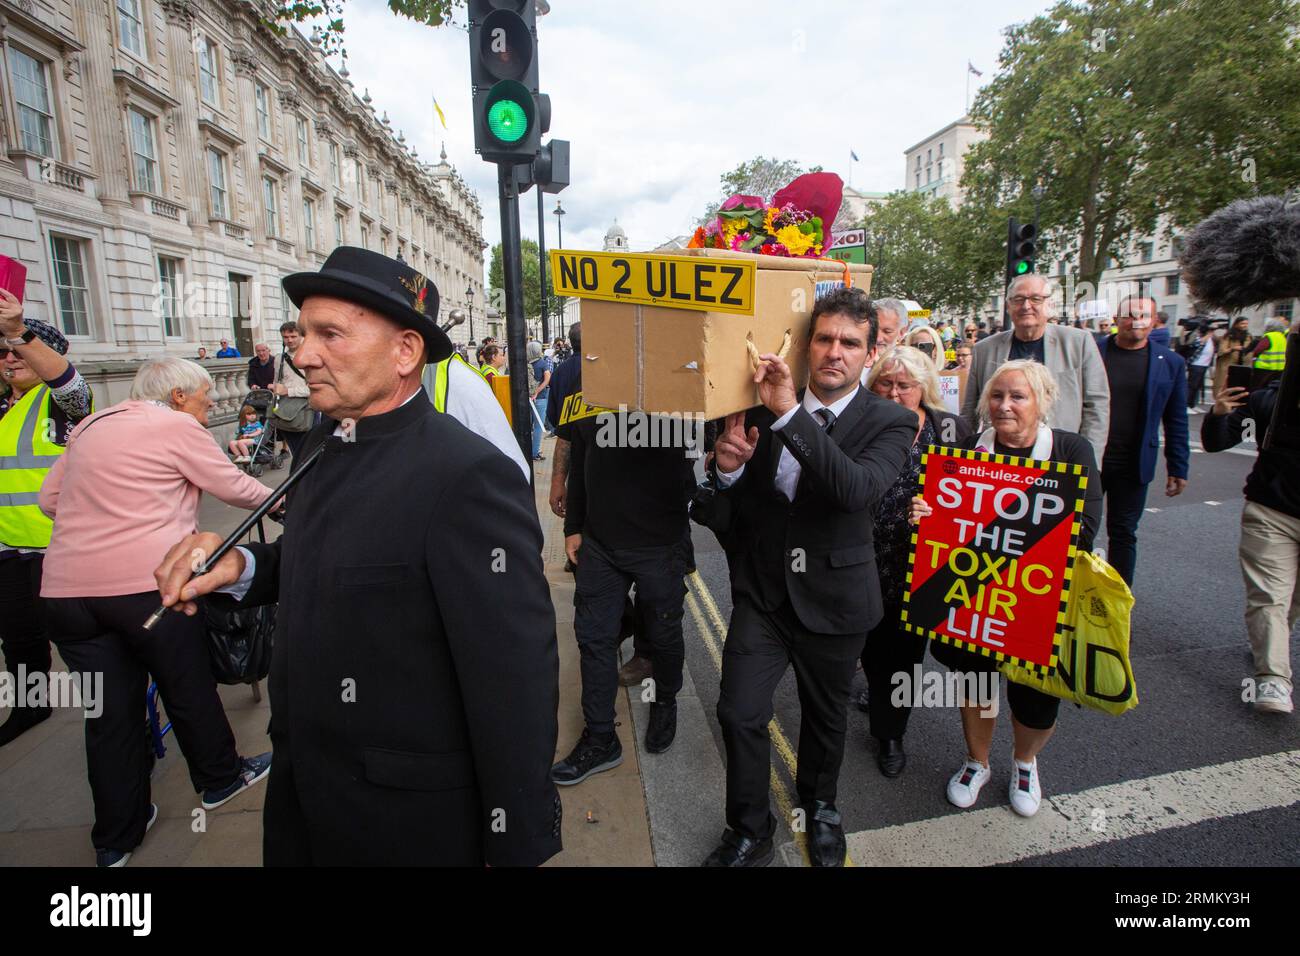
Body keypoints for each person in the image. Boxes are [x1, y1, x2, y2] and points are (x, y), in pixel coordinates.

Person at [153, 246, 562, 866]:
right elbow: (332, 558)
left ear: (405, 352)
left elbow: (514, 679)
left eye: (330, 334)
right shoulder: (324, 436)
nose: (302, 353)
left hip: (405, 820)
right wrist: (242, 566)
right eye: (303, 332)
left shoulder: (467, 475)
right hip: (303, 797)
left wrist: (516, 841)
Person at [697, 287, 915, 866]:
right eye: (824, 338)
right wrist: (725, 474)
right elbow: (728, 515)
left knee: (825, 720)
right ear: (807, 342)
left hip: (837, 601)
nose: (834, 352)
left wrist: (790, 413)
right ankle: (749, 830)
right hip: (764, 599)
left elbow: (855, 491)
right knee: (738, 712)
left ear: (871, 354)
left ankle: (820, 809)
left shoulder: (891, 421)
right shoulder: (754, 403)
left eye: (850, 342)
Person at [39, 357, 274, 867]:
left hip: (65, 594)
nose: (210, 403)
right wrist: (284, 503)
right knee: (186, 688)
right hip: (149, 588)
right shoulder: (175, 426)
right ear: (177, 396)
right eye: (204, 395)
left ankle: (116, 837)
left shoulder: (92, 424)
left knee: (108, 715)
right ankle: (221, 779)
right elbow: (235, 488)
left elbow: (48, 500)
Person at [911, 360, 1103, 817]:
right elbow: (941, 515)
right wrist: (924, 514)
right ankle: (976, 763)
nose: (1005, 405)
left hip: (1036, 599)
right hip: (973, 596)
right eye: (997, 396)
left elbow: (1086, 528)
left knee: (1036, 698)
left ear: (1043, 403)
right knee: (976, 683)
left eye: (1018, 396)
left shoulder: (1072, 450)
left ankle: (1025, 763)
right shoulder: (963, 449)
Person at [551, 402, 696, 780]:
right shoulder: (591, 383)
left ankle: (664, 699)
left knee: (663, 634)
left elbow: (692, 460)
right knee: (594, 638)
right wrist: (574, 526)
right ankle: (601, 737)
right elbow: (582, 459)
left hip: (659, 544)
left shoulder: (676, 389)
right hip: (601, 545)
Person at [861, 346, 971, 777]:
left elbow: (971, 497)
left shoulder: (950, 429)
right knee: (872, 647)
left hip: (921, 562)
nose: (893, 392)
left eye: (904, 385)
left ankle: (891, 734)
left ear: (923, 388)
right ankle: (877, 699)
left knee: (905, 652)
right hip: (867, 555)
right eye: (884, 384)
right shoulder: (858, 423)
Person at [0, 289, 94, 747]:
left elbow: (73, 389)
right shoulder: (4, 406)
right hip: (7, 551)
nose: (10, 359)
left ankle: (119, 717)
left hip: (59, 548)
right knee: (17, 641)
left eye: (18, 350)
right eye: (3, 352)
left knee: (85, 647)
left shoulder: (61, 404)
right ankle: (30, 706)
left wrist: (19, 331)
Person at [1203, 373, 1298, 714]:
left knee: (1290, 599)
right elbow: (1216, 442)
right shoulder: (1269, 398)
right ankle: (1272, 677)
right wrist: (1218, 414)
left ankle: (1268, 644)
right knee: (1270, 596)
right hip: (1271, 512)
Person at [961, 273, 1110, 462]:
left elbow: (1096, 407)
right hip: (999, 461)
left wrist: (1089, 461)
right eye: (1018, 299)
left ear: (1050, 305)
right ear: (1008, 306)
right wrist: (962, 462)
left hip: (1062, 458)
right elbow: (969, 410)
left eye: (1035, 299)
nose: (1026, 306)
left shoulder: (1078, 343)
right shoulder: (985, 349)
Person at [1096, 297, 1189, 586]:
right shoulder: (1093, 352)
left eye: (1143, 315)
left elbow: (1176, 419)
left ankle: (1117, 606)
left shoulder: (1171, 362)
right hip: (1091, 459)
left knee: (1123, 533)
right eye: (1130, 314)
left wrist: (1178, 466)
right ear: (1116, 318)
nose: (1136, 320)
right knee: (1076, 531)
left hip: (1133, 464)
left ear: (1154, 321)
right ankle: (1071, 600)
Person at [420, 347, 529, 479]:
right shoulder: (481, 375)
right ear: (493, 357)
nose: (504, 358)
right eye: (501, 355)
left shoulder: (462, 378)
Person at [272, 320, 313, 460]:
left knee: (309, 452)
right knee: (297, 453)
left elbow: (314, 389)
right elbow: (277, 382)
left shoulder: (311, 356)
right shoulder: (279, 359)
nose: (289, 340)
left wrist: (287, 391)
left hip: (307, 410)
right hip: (286, 411)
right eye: (285, 337)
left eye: (293, 336)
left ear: (301, 336)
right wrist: (276, 390)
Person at [861, 297, 908, 383]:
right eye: (874, 329)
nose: (878, 338)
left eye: (887, 331)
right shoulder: (855, 364)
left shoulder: (907, 370)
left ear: (901, 332)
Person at [1213, 317, 1254, 395]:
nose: (1245, 325)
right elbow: (1222, 350)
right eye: (1242, 323)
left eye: (1246, 324)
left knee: (1240, 388)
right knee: (1224, 386)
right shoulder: (1229, 336)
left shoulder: (1249, 336)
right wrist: (1233, 348)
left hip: (1243, 365)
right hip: (1228, 365)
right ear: (1236, 324)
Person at [527, 340, 553, 461]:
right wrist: (537, 391)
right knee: (538, 427)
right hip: (540, 397)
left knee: (528, 426)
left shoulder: (526, 363)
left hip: (527, 398)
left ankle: (526, 450)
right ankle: (535, 452)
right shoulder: (542, 363)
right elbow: (547, 379)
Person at [1183, 321, 1216, 408]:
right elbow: (1195, 344)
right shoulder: (1198, 338)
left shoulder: (1211, 339)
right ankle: (1186, 404)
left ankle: (1192, 404)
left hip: (1204, 365)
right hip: (1196, 364)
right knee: (1192, 385)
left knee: (1197, 386)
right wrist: (1208, 334)